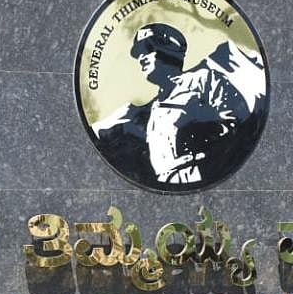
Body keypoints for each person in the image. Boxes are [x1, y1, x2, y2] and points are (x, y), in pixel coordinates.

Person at [91, 22, 266, 186]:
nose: (141, 57)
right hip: (165, 186)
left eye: (148, 49)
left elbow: (238, 125)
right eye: (139, 53)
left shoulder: (204, 79)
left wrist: (201, 132)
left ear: (170, 50)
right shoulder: (153, 106)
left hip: (201, 173)